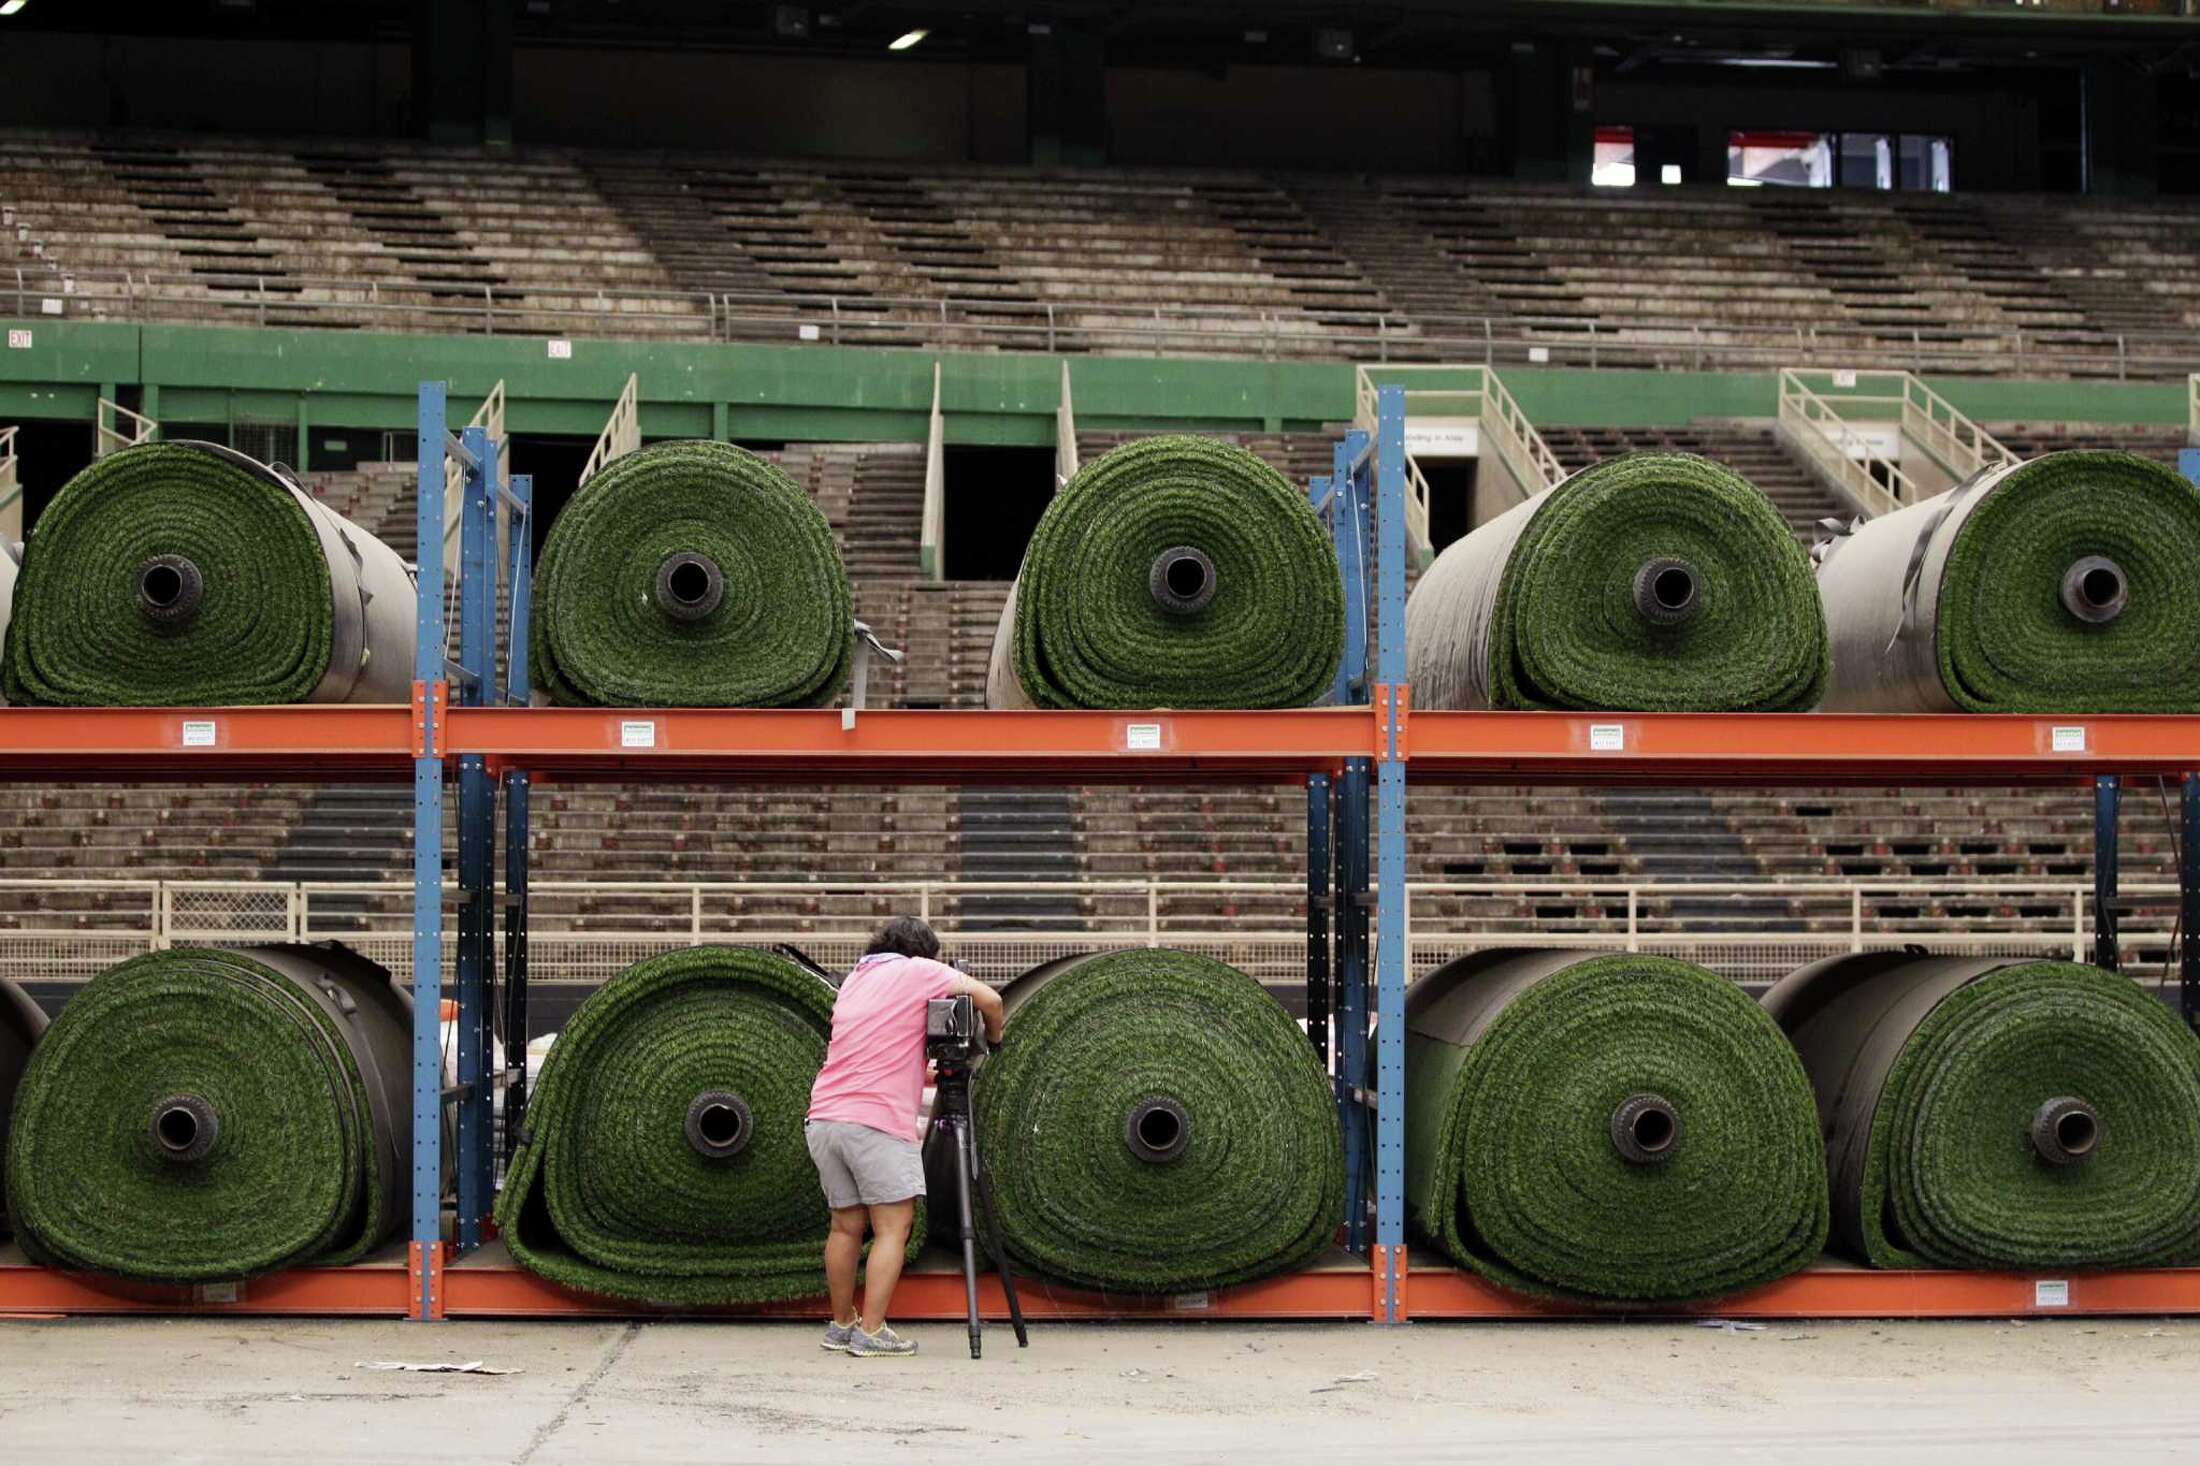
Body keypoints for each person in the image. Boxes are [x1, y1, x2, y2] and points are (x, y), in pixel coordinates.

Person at [806, 915, 1003, 1358]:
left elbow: (880, 1042)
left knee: (845, 1226)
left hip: (825, 1118)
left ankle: (841, 1325)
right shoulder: (917, 970)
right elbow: (990, 1000)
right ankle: (873, 1332)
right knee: (894, 1227)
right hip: (875, 1121)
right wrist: (995, 1040)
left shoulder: (857, 977)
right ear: (924, 952)